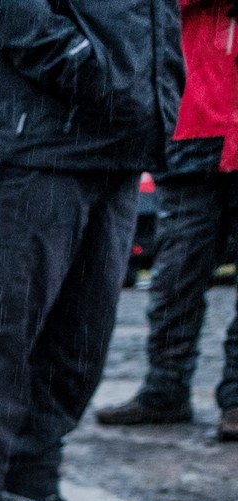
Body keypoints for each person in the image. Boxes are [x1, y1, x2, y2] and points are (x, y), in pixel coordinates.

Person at [0, 0, 183, 501]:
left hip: (120, 152)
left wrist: (156, 101)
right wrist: (85, 65)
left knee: (80, 344)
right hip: (34, 148)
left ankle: (31, 487)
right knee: (1, 337)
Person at [95, 1, 238, 442]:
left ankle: (235, 399)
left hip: (201, 119)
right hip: (192, 122)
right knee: (176, 274)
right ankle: (164, 389)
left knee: (178, 272)